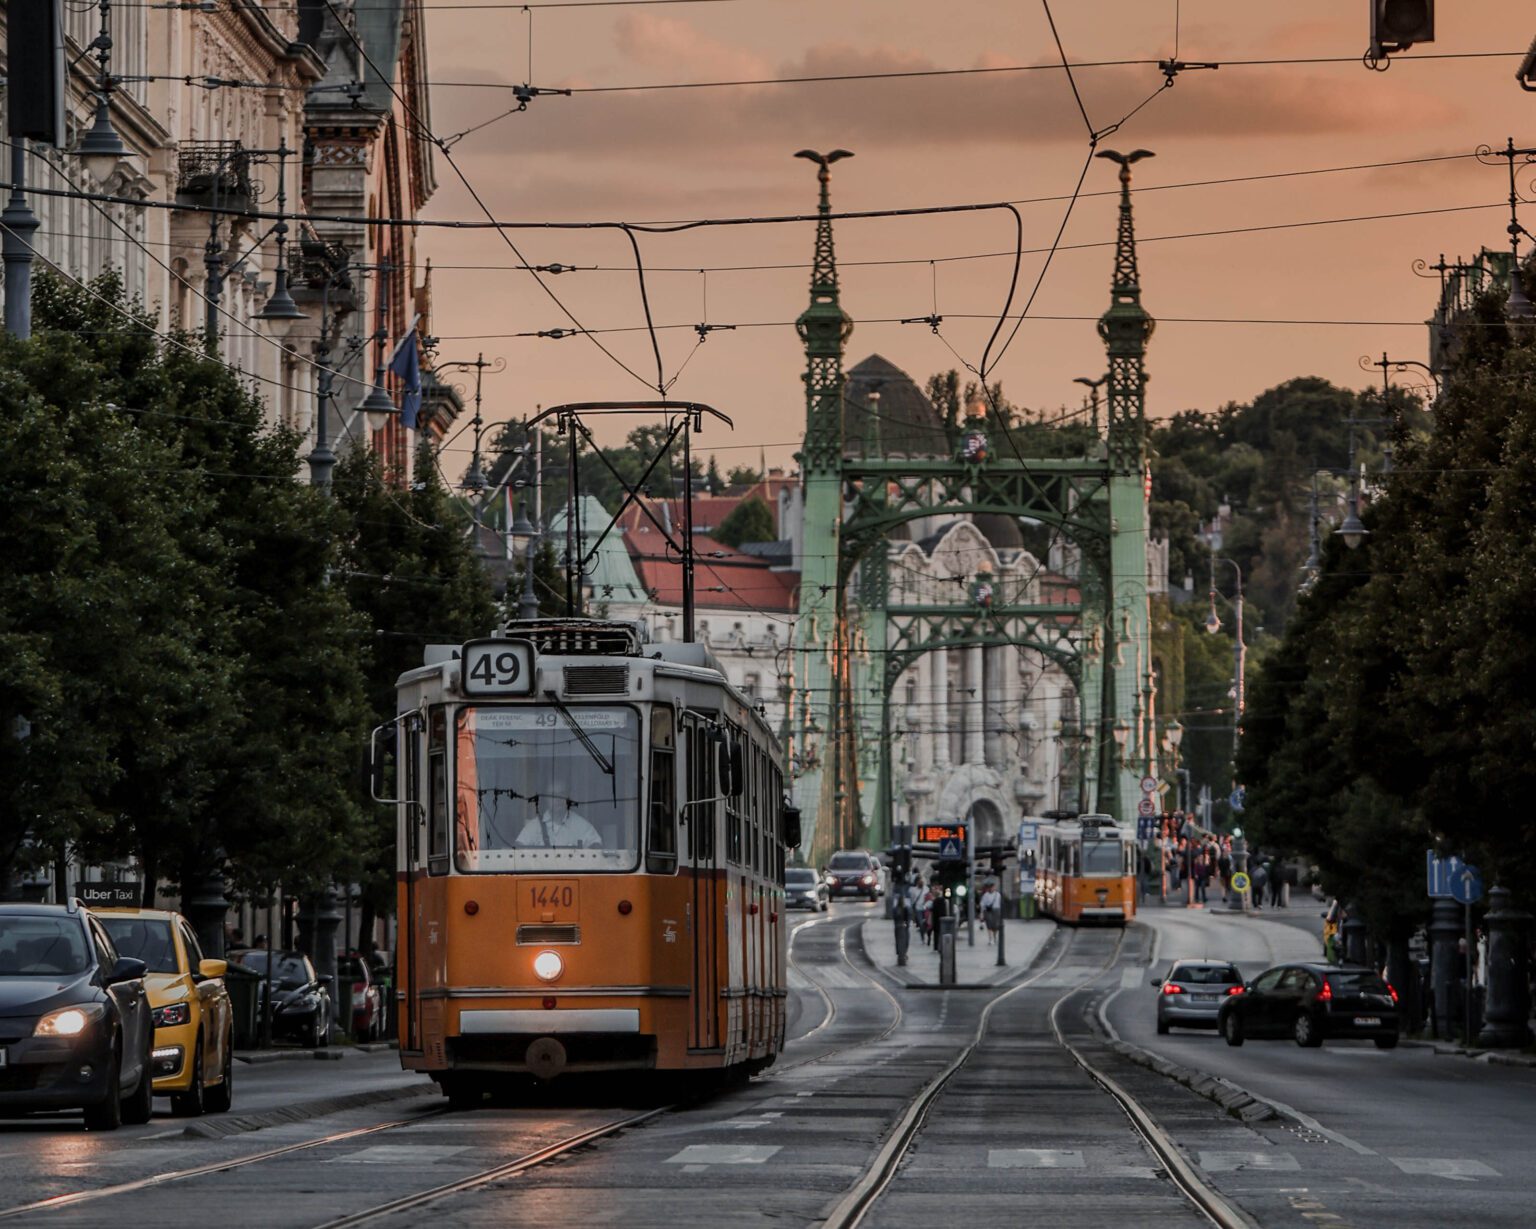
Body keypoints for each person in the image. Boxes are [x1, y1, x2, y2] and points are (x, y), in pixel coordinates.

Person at [516, 768, 603, 849]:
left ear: (567, 797)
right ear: (546, 799)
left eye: (561, 794)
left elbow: (596, 846)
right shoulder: (535, 826)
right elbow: (518, 847)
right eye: (552, 795)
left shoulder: (581, 825)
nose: (557, 799)